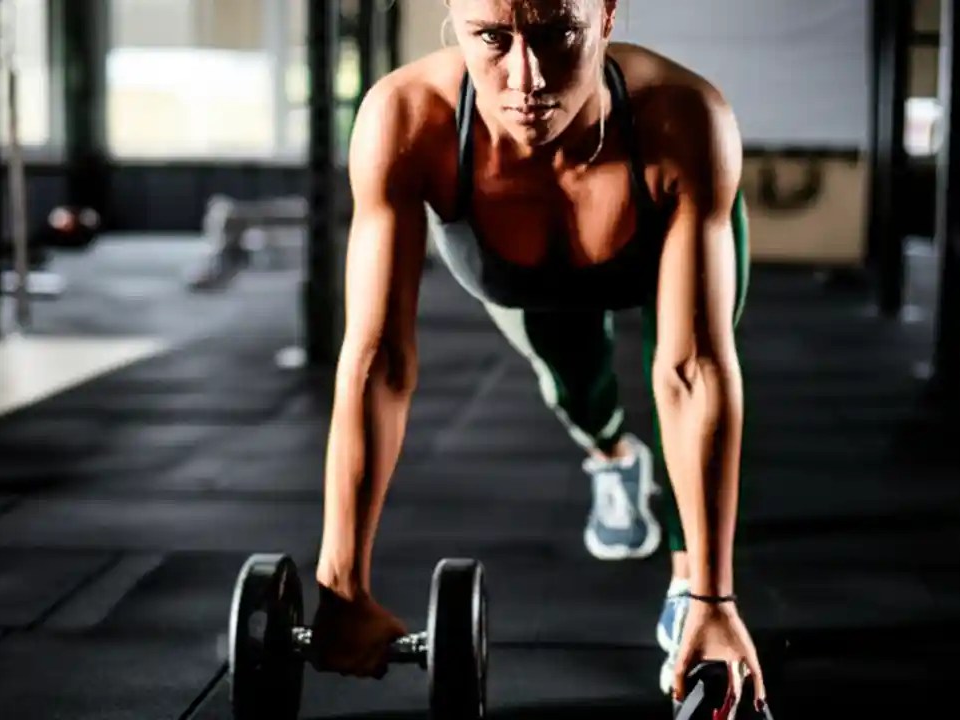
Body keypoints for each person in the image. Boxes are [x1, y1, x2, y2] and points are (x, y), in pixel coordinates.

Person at [310, 0, 764, 709]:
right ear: (454, 19)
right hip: (518, 274)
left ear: (607, 14)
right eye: (493, 38)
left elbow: (691, 372)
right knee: (575, 386)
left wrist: (713, 594)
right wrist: (343, 583)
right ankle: (613, 454)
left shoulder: (685, 118)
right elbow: (379, 361)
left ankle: (684, 588)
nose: (527, 77)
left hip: (656, 239)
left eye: (557, 35)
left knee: (689, 379)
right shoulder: (407, 118)